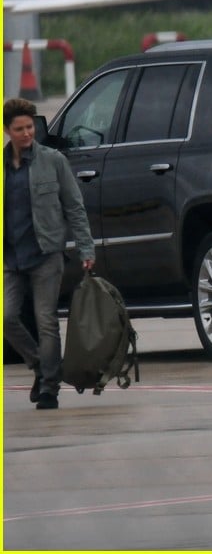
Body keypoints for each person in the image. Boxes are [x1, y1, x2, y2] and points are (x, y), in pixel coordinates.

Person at [3, 97, 96, 410]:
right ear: (7, 131)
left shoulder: (53, 160)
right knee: (7, 318)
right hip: (11, 258)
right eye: (20, 129)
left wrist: (85, 247)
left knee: (46, 321)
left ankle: (49, 389)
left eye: (30, 127)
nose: (27, 133)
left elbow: (74, 206)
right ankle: (40, 365)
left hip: (46, 254)